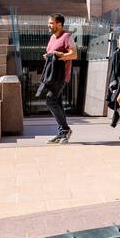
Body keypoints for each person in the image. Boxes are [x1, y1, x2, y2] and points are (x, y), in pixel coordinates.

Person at [44, 14, 77, 144]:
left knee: (50, 99)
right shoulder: (52, 38)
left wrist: (61, 55)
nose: (49, 25)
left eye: (51, 23)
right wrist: (48, 56)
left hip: (61, 76)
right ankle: (62, 133)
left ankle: (65, 129)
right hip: (52, 75)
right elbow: (52, 54)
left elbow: (74, 55)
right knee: (57, 103)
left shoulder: (67, 36)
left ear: (59, 24)